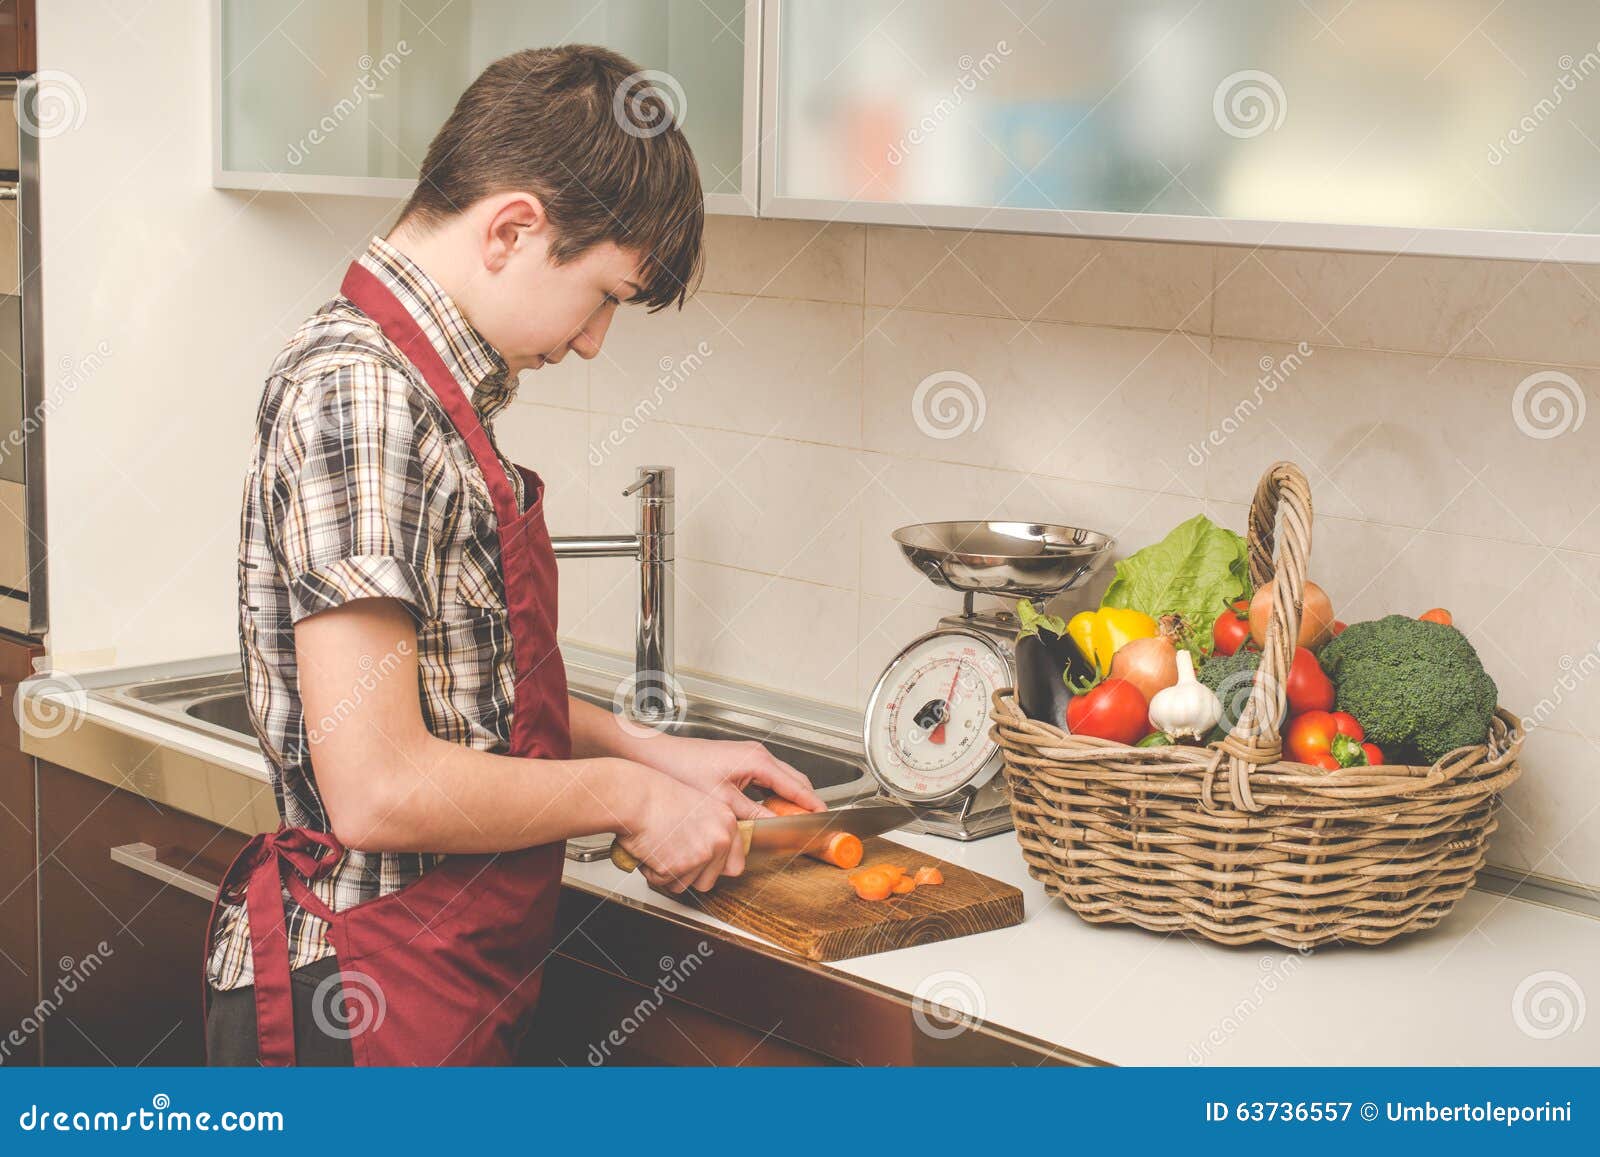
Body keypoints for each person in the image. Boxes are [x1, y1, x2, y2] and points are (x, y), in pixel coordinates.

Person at [204, 44, 822, 1067]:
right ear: (512, 229)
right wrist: (629, 798)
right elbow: (380, 783)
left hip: (427, 991)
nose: (593, 342)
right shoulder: (368, 393)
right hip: (361, 1005)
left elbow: (456, 688)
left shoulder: (417, 387)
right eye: (605, 295)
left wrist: (647, 749)